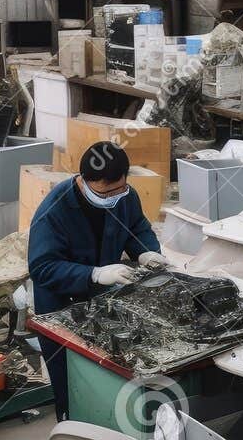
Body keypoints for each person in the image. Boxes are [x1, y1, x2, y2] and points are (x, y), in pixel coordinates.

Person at [27, 140, 164, 418]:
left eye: (120, 188)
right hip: (59, 306)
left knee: (106, 372)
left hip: (103, 299)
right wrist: (94, 274)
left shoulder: (125, 196)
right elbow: (42, 267)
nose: (114, 196)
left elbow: (137, 227)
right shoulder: (54, 210)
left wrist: (147, 252)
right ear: (84, 181)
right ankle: (70, 425)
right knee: (70, 380)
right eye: (106, 192)